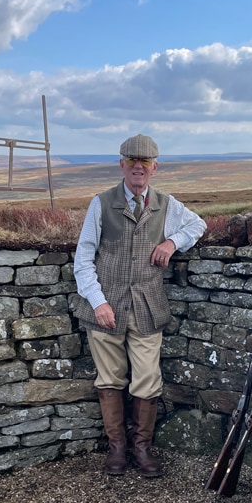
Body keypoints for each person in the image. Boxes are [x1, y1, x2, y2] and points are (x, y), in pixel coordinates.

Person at [73, 134, 207, 477]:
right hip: (106, 308)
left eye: (145, 162)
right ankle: (117, 449)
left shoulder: (166, 205)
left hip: (147, 308)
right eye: (132, 161)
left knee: (147, 380)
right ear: (121, 165)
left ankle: (142, 449)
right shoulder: (100, 203)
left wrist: (172, 242)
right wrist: (98, 302)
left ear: (154, 168)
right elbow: (83, 258)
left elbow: (198, 225)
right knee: (109, 379)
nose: (138, 167)